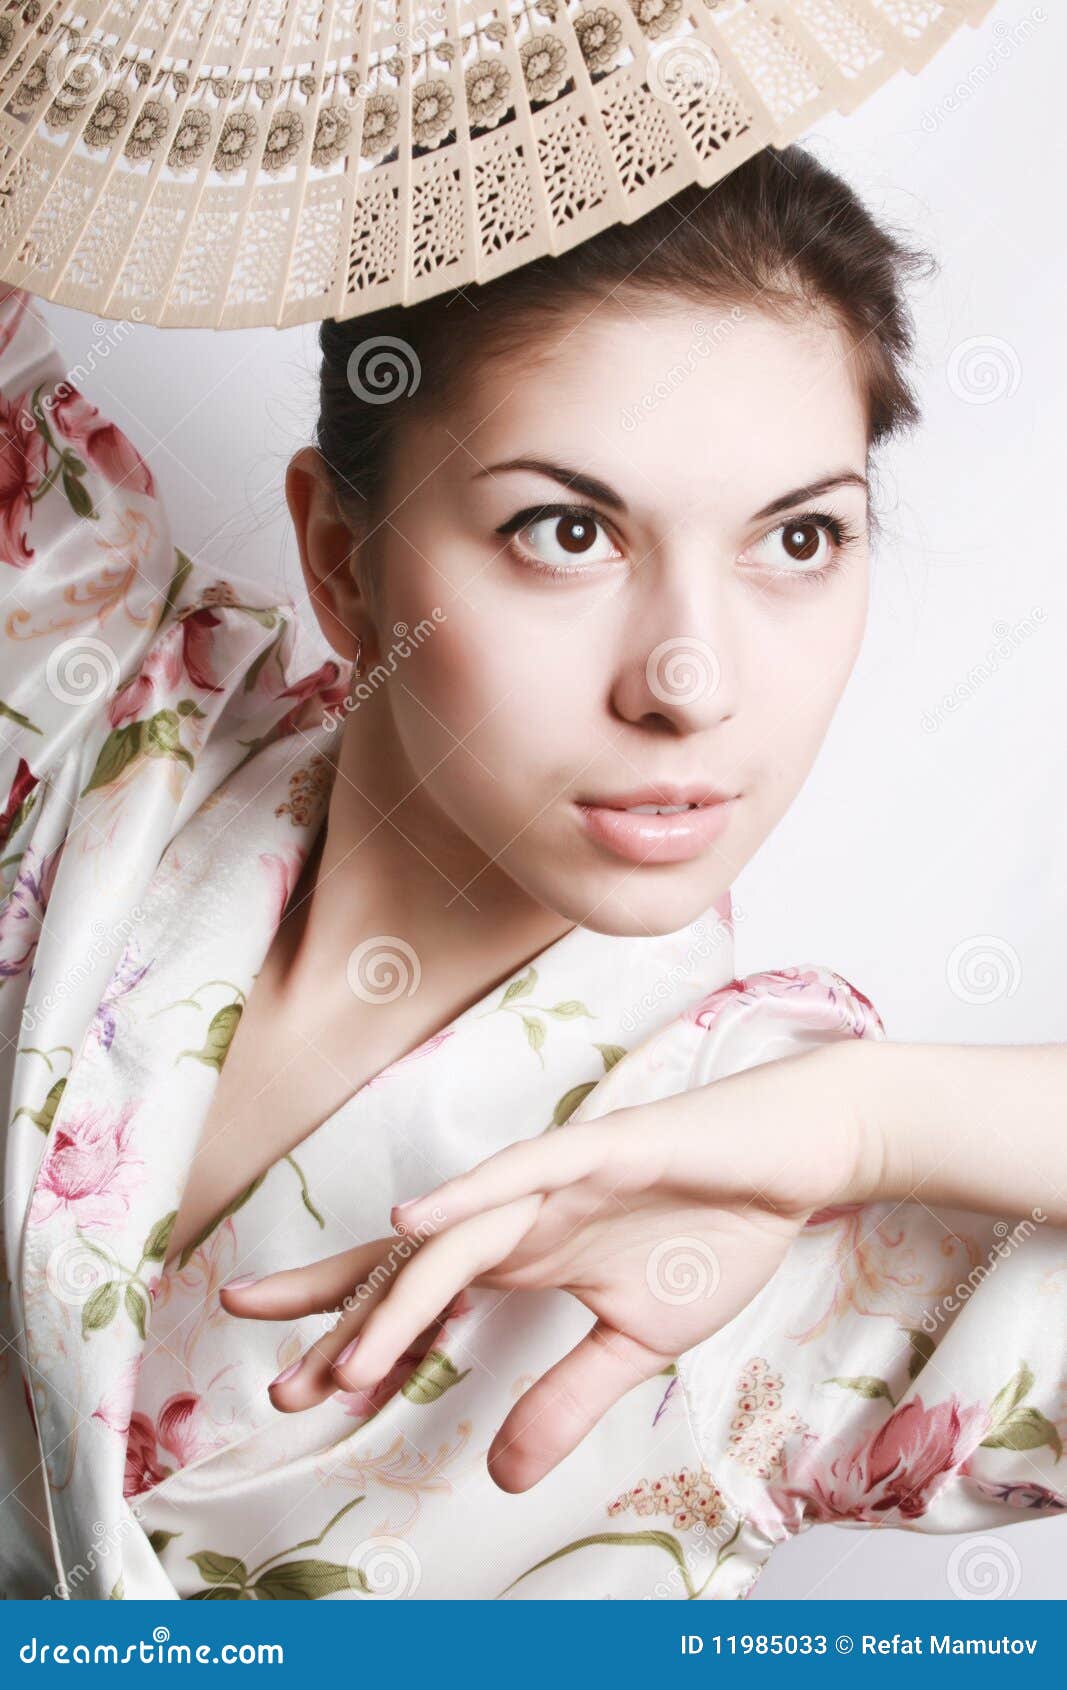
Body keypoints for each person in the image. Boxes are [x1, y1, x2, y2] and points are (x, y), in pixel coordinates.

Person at [0, 144, 1062, 1603]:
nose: (690, 680)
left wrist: (867, 1121)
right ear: (342, 553)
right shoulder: (86, 683)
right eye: (567, 531)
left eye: (800, 536)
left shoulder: (772, 1225)